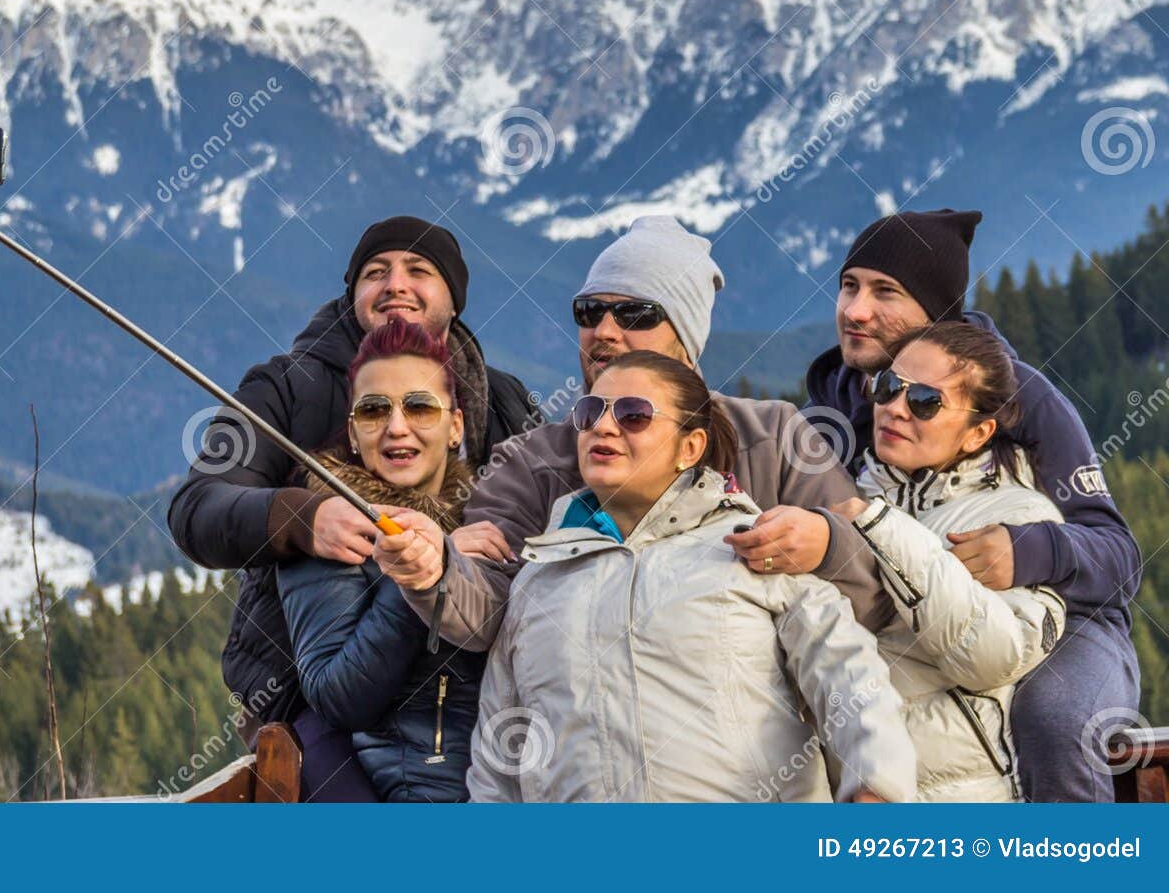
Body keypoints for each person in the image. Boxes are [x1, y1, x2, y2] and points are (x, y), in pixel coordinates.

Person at [375, 215, 890, 651]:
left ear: (686, 340)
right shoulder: (530, 461)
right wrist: (437, 569)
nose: (604, 330)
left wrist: (828, 545)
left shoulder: (773, 437)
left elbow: (878, 595)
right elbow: (489, 615)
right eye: (589, 311)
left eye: (635, 314)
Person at [467, 350, 916, 802]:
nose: (603, 427)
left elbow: (848, 676)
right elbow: (498, 758)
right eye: (589, 412)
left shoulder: (753, 547)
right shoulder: (538, 581)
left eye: (633, 414)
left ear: (690, 447)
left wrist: (875, 786)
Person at [804, 208, 1141, 801]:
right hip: (900, 630)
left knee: (1056, 720)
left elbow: (1119, 557)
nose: (855, 310)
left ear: (937, 313)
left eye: (885, 292)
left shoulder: (1022, 397)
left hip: (1063, 624)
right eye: (849, 286)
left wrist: (1029, 547)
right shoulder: (822, 422)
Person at [167, 216, 538, 747]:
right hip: (307, 697)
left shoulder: (501, 400)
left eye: (419, 270)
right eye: (375, 272)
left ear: (454, 299)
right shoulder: (286, 388)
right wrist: (303, 518)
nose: (395, 285)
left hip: (471, 695)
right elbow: (197, 508)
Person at [828, 322, 1066, 801]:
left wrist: (881, 528)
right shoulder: (839, 495)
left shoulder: (1021, 519)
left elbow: (993, 656)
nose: (895, 408)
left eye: (925, 401)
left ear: (978, 433)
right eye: (889, 386)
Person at [277, 320, 484, 801]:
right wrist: (418, 575)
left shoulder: (491, 516)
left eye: (419, 406)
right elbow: (338, 698)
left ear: (455, 427)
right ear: (354, 433)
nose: (396, 427)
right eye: (373, 410)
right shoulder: (329, 535)